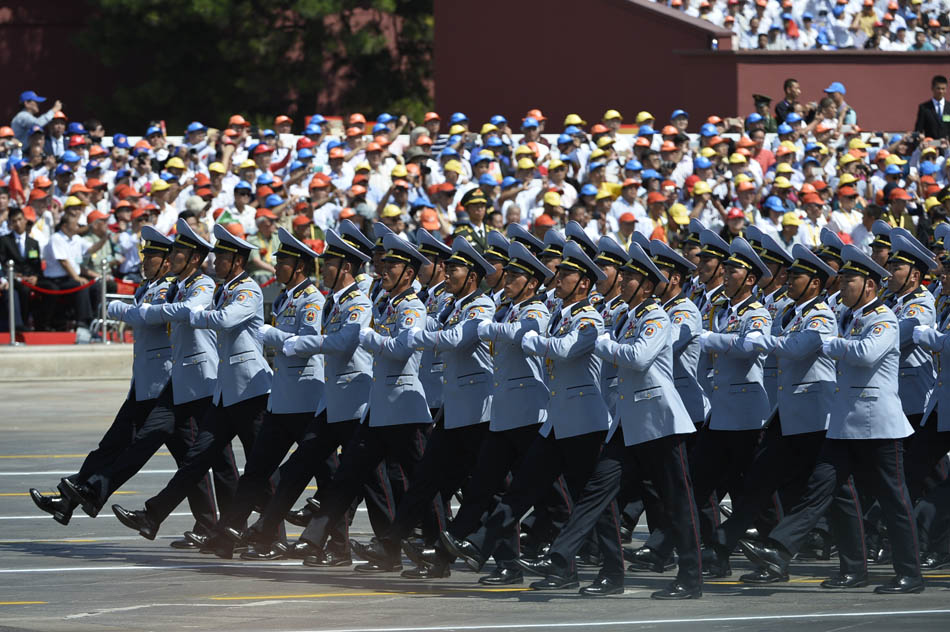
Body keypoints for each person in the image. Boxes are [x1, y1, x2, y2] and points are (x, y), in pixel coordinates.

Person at [739, 245, 924, 594]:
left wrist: (831, 344)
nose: (843, 285)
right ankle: (792, 552)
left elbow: (866, 353)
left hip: (878, 427)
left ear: (869, 285)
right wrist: (834, 341)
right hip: (843, 425)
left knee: (894, 502)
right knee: (821, 489)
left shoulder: (884, 318)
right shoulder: (848, 319)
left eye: (850, 280)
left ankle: (909, 574)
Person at [439, 241, 610, 584]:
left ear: (531, 283)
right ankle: (488, 552)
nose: (507, 279)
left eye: (516, 275)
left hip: (537, 413)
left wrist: (491, 328)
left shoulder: (540, 310)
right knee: (499, 488)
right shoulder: (518, 308)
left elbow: (530, 336)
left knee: (559, 498)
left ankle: (581, 565)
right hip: (513, 412)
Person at [112, 224, 273, 540]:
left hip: (251, 392)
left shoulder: (248, 290)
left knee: (259, 471)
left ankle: (270, 530)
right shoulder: (223, 289)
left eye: (223, 256)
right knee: (199, 459)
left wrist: (191, 315)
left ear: (238, 260)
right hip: (224, 392)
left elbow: (223, 319)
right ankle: (154, 515)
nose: (217, 261)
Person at [350, 237, 496, 575]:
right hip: (453, 410)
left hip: (479, 411)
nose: (447, 272)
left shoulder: (481, 305)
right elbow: (424, 327)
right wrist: (413, 329)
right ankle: (400, 546)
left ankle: (500, 552)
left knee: (488, 488)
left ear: (472, 275)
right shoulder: (449, 305)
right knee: (426, 482)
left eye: (455, 268)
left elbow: (458, 339)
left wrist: (416, 337)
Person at [705, 244, 838, 582]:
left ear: (816, 283)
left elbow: (796, 348)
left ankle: (845, 560)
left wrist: (764, 340)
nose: (789, 280)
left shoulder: (821, 314)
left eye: (798, 276)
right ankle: (729, 547)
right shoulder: (790, 313)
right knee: (759, 482)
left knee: (830, 494)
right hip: (787, 413)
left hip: (815, 416)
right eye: (790, 274)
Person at [0, 207, 42, 327]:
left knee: (51, 287)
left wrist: (35, 276)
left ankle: (46, 324)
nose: (18, 224)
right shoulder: (4, 241)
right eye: (14, 221)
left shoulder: (33, 243)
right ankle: (22, 324)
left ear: (24, 220)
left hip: (31, 278)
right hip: (14, 278)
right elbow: (2, 262)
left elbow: (36, 264)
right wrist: (13, 275)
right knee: (23, 290)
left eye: (19, 220)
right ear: (10, 224)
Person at [914, 74, 950, 140]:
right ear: (932, 88)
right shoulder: (924, 108)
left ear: (946, 90)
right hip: (931, 145)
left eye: (943, 89)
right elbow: (918, 130)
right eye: (938, 88)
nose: (940, 91)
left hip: (947, 146)